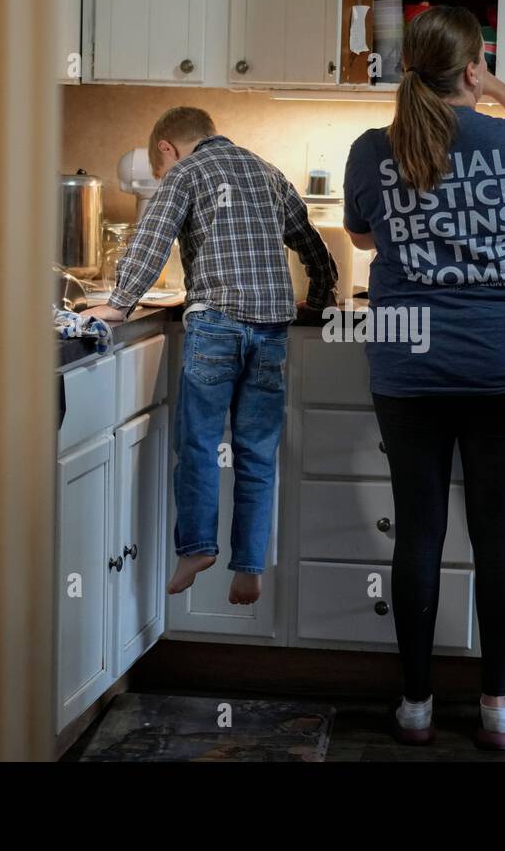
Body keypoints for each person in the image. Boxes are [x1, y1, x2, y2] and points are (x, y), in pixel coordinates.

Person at [343, 7, 505, 749]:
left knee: (418, 529)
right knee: (496, 531)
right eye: (480, 64)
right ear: (472, 67)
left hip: (409, 367)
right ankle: (497, 708)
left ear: (408, 67)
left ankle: (414, 708)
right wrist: (503, 91)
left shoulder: (370, 149)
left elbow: (359, 234)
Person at [84, 107, 337, 605]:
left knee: (199, 442)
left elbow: (152, 241)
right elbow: (310, 241)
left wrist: (119, 305)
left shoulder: (185, 172)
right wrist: (323, 292)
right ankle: (249, 565)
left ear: (165, 148)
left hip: (216, 322)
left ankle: (197, 547)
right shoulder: (267, 172)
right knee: (257, 451)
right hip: (270, 329)